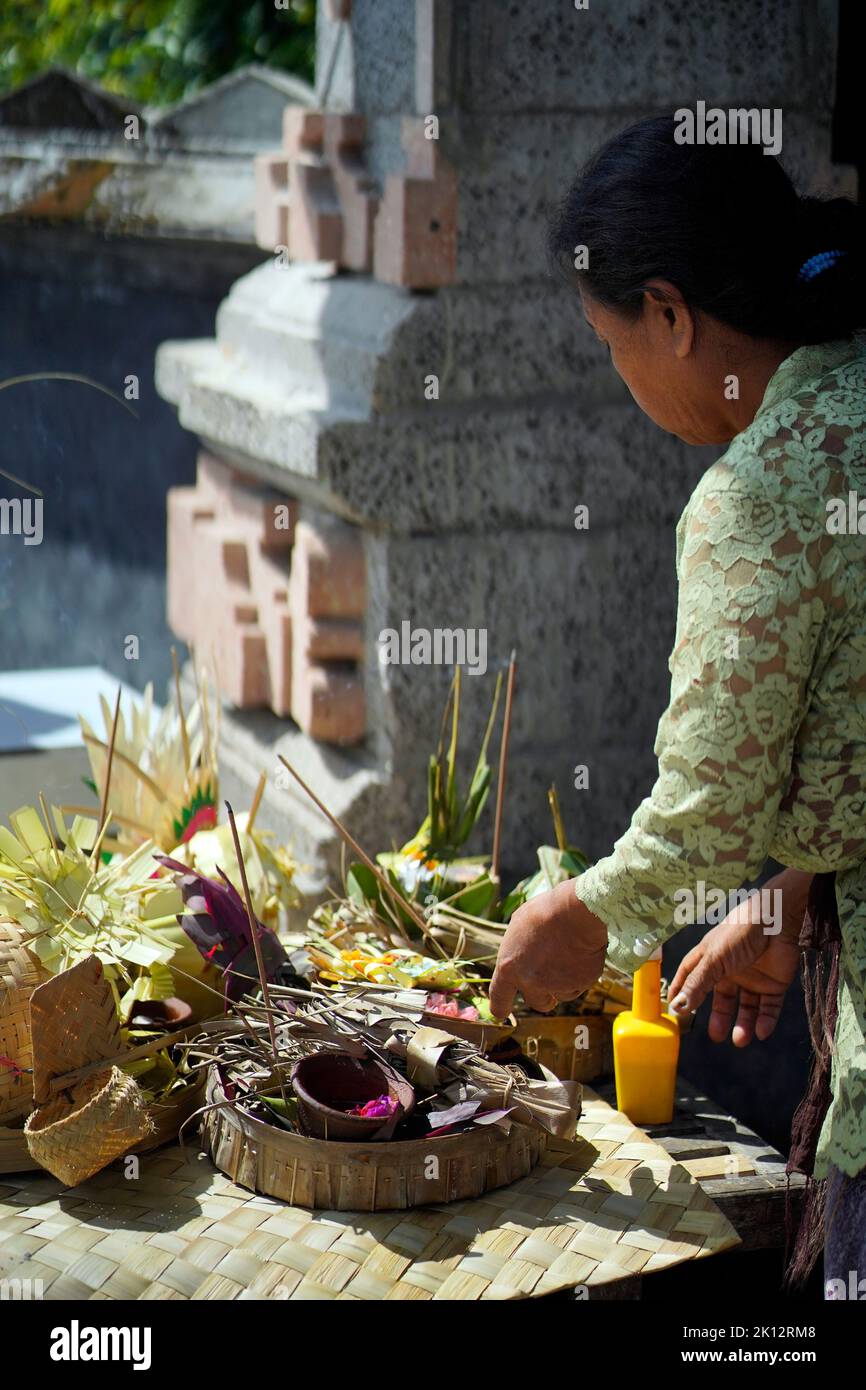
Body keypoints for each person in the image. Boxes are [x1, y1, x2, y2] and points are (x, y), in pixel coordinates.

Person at [488, 114, 866, 1295]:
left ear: (668, 311)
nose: (623, 377)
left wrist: (580, 915)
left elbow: (702, 818)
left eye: (612, 345)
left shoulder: (760, 492)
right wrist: (796, 883)